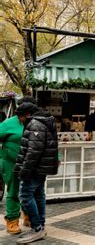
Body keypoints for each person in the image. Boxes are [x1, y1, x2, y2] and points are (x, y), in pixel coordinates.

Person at [15, 101, 59, 244]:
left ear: (27, 115)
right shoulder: (44, 121)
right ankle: (40, 225)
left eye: (20, 117)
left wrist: (24, 171)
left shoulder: (35, 124)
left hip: (34, 168)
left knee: (25, 195)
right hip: (41, 168)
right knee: (39, 194)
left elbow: (33, 152)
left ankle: (37, 228)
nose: (19, 120)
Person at [0, 97, 36, 234]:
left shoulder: (36, 123)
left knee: (29, 192)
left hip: (30, 165)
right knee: (14, 192)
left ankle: (28, 216)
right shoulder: (9, 123)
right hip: (11, 163)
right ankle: (12, 221)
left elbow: (47, 140)